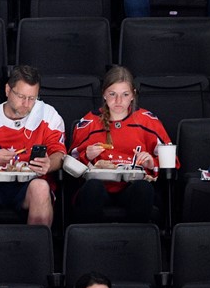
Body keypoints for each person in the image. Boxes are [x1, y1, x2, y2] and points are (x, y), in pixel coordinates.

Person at [0, 65, 66, 227]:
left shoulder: (48, 115)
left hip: (30, 184)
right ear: (7, 90)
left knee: (41, 188)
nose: (26, 104)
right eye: (21, 96)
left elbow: (59, 153)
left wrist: (49, 163)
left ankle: (37, 243)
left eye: (32, 98)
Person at [68, 66, 176, 224]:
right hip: (100, 187)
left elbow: (171, 161)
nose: (118, 101)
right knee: (93, 188)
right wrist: (86, 156)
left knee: (143, 188)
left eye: (125, 94)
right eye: (112, 94)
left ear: (133, 95)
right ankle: (92, 237)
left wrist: (152, 163)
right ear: (104, 94)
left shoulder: (147, 120)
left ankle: (136, 238)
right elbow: (70, 165)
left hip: (132, 187)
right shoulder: (89, 122)